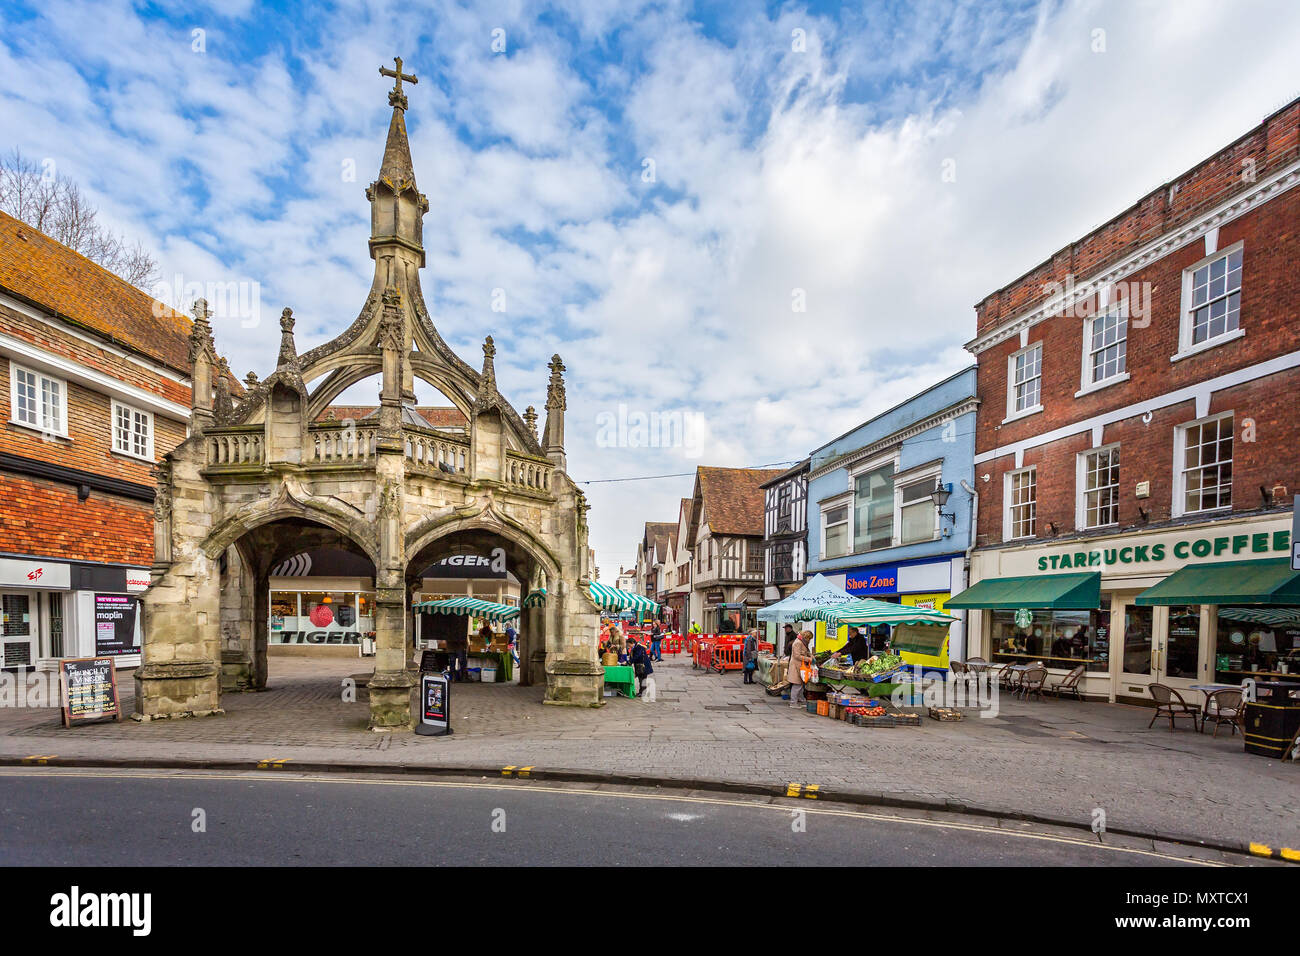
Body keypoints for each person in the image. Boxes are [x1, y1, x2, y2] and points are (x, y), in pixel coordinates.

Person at [787, 629, 815, 709]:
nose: (809, 640)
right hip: (796, 666)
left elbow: (805, 651)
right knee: (797, 685)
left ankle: (802, 700)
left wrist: (810, 655)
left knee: (800, 685)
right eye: (809, 638)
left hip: (801, 667)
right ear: (806, 637)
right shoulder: (798, 643)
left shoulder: (802, 642)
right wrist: (809, 659)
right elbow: (797, 656)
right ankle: (793, 702)